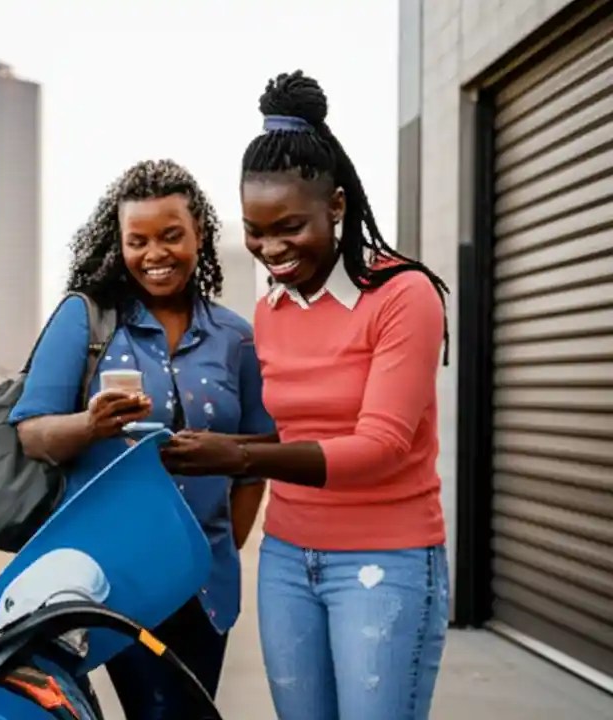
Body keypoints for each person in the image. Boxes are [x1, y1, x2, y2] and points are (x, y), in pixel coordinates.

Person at [160, 70, 452, 720]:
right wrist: (208, 449)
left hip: (386, 562)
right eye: (255, 231)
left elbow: (379, 447)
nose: (270, 250)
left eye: (289, 226)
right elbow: (295, 436)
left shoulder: (403, 296)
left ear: (338, 206)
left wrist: (236, 458)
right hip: (289, 558)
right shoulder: (275, 307)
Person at [8, 159, 275, 718]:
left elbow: (255, 460)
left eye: (171, 235)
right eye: (138, 241)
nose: (155, 254)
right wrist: (91, 424)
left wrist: (216, 550)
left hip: (205, 586)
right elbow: (33, 433)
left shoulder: (236, 338)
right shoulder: (85, 320)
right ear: (120, 245)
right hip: (119, 574)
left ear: (199, 233)